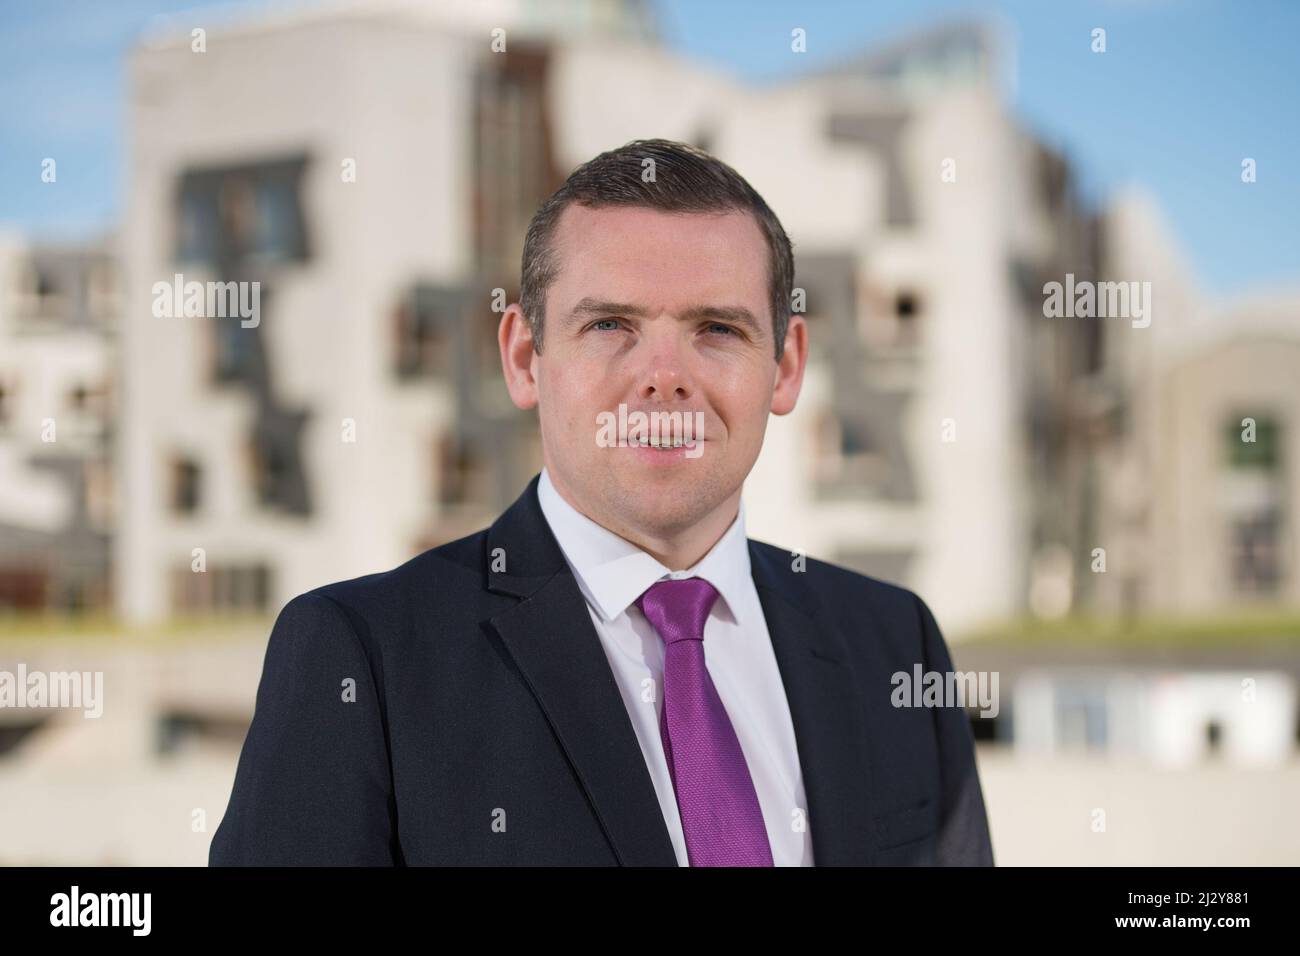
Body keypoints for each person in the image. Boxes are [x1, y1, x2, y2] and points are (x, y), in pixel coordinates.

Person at [209, 139, 994, 866]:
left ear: (785, 367)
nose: (663, 377)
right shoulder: (365, 660)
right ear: (524, 357)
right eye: (611, 324)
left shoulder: (896, 647)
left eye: (717, 328)